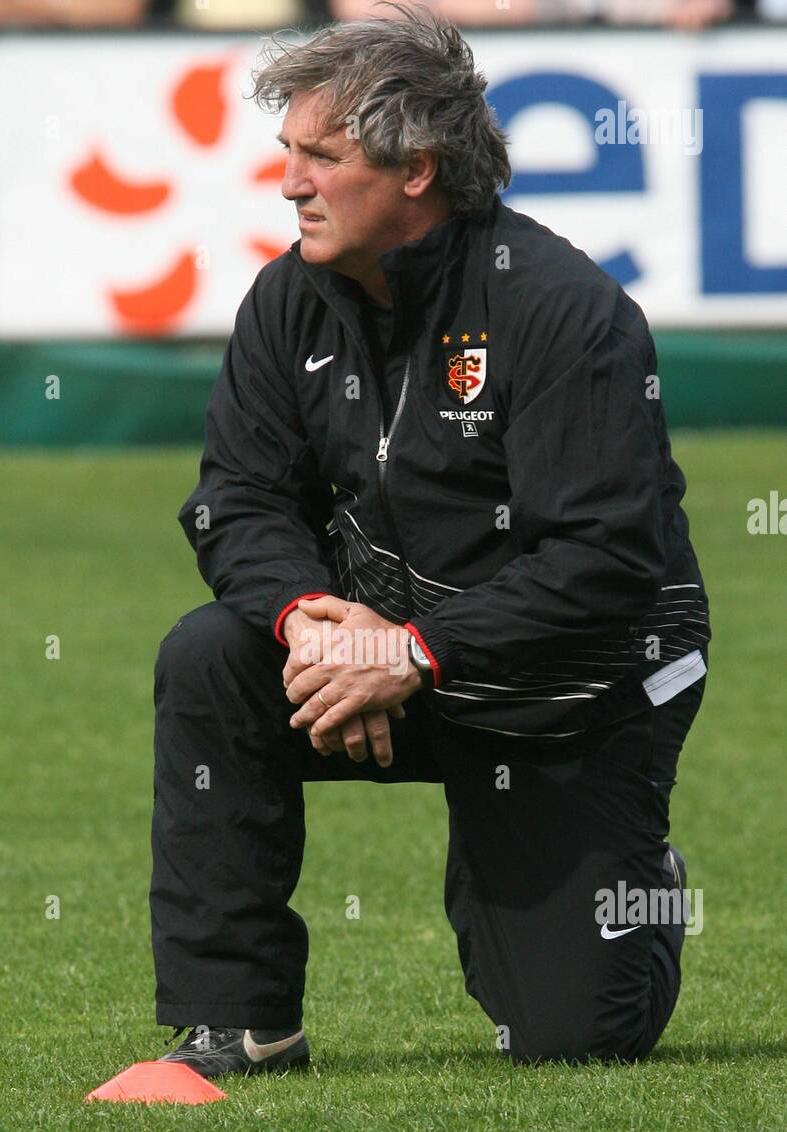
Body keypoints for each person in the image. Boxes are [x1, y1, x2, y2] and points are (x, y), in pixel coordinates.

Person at [148, 2, 710, 1074]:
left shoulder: (564, 312)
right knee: (211, 657)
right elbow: (236, 500)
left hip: (566, 696)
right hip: (369, 664)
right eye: (287, 156)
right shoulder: (284, 301)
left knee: (567, 1040)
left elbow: (603, 560)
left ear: (415, 168)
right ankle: (239, 1024)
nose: (290, 184)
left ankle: (635, 881)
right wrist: (308, 624)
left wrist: (412, 653)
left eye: (321, 157)